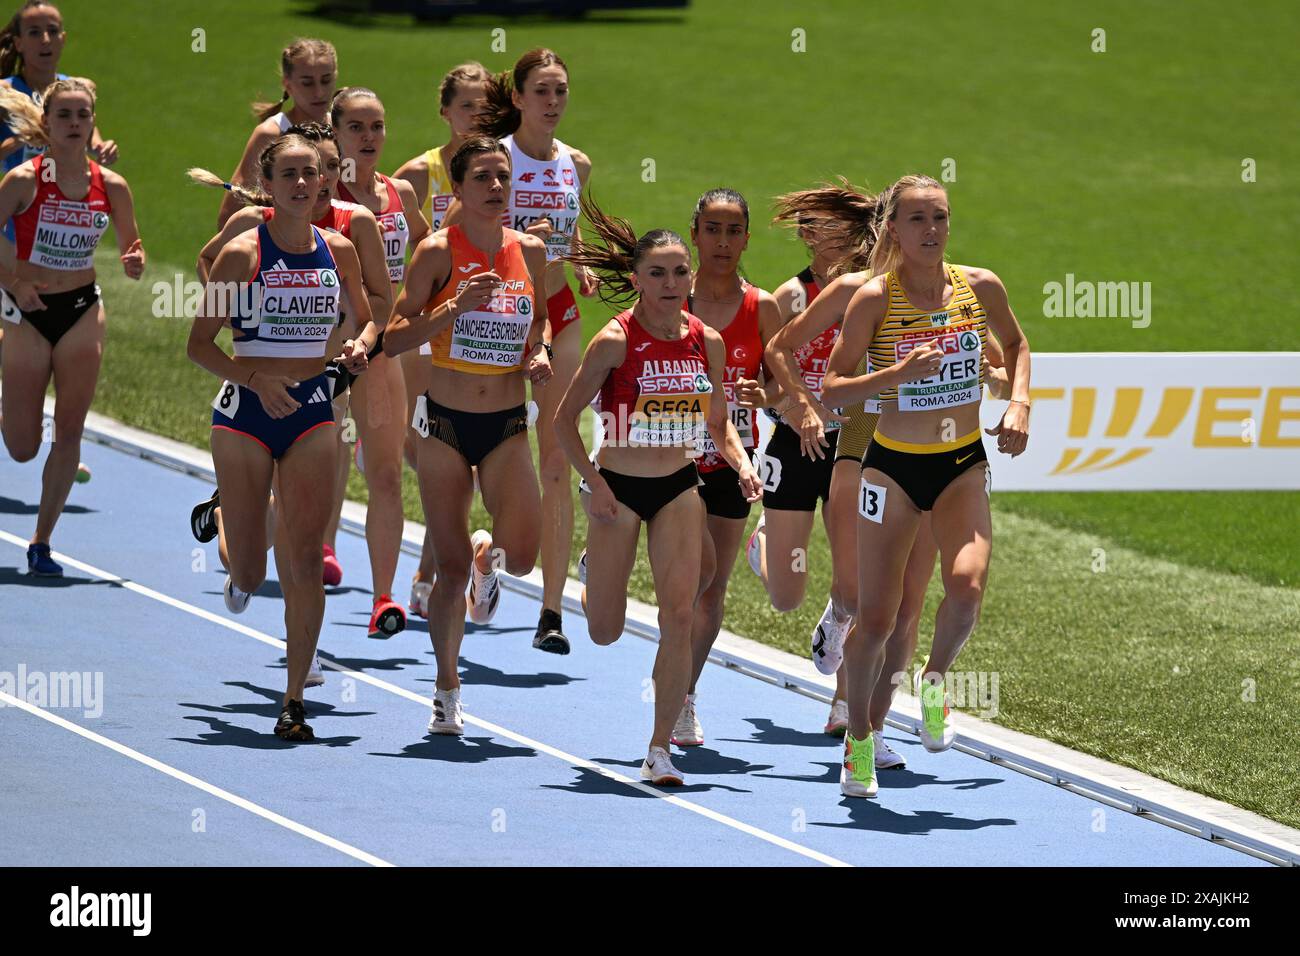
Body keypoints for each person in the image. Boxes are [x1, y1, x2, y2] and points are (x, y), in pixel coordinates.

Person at [822, 174, 1031, 797]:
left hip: (961, 462)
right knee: (878, 620)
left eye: (939, 217)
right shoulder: (873, 300)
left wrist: (1017, 400)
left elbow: (1016, 346)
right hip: (891, 469)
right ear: (893, 230)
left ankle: (935, 683)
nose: (931, 230)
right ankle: (859, 741)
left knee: (965, 589)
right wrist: (896, 372)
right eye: (916, 220)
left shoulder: (980, 286)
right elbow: (833, 390)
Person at [557, 195, 761, 784]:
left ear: (691, 276)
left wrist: (742, 463)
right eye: (657, 273)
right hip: (616, 490)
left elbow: (719, 422)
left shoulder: (708, 341)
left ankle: (658, 749)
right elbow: (562, 422)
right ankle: (597, 565)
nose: (671, 283)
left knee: (681, 611)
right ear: (637, 279)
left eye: (679, 272)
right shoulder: (615, 341)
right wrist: (592, 483)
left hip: (678, 484)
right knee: (604, 630)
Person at [187, 132, 376, 741]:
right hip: (244, 414)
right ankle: (226, 519)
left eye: (311, 173)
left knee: (303, 558)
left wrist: (358, 345)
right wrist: (255, 377)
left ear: (326, 181)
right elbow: (198, 343)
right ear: (268, 186)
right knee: (247, 573)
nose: (300, 184)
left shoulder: (340, 249)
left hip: (314, 410)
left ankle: (293, 701)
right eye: (288, 174)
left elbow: (369, 317)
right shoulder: (243, 253)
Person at [383, 135, 551, 736]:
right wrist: (453, 306)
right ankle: (447, 688)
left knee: (525, 557)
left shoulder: (528, 250)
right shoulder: (435, 252)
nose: (496, 187)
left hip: (506, 423)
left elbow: (546, 318)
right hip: (446, 425)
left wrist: (541, 353)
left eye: (503, 176)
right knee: (449, 569)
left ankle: (492, 562)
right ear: (458, 187)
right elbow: (396, 337)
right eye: (483, 177)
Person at [477, 48, 595, 655]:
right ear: (518, 97)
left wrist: (582, 264)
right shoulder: (495, 160)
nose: (553, 102)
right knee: (492, 446)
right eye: (542, 91)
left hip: (561, 316)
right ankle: (486, 554)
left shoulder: (577, 163)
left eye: (561, 91)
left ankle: (551, 614)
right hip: (500, 316)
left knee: (557, 461)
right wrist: (524, 244)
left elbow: (570, 238)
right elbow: (471, 234)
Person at [0, 78, 142, 575]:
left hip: (81, 310)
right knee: (20, 448)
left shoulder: (113, 186)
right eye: (65, 115)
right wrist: (15, 283)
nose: (76, 124)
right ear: (47, 123)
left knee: (71, 427)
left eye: (84, 115)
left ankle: (41, 541)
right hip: (26, 311)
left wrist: (134, 258)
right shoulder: (22, 181)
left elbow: (131, 243)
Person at [674, 188, 781, 748]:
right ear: (694, 233)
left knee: (710, 587)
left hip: (731, 460)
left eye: (733, 231)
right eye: (712, 230)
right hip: (666, 456)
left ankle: (683, 697)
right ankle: (608, 543)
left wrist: (762, 394)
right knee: (692, 577)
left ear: (746, 237)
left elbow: (785, 386)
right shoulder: (672, 294)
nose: (722, 242)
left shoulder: (761, 307)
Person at [331, 86, 431, 636]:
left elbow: (428, 248)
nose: (369, 138)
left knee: (388, 474)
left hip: (380, 349)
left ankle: (383, 599)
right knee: (312, 471)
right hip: (321, 354)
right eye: (357, 127)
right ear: (336, 132)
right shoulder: (317, 197)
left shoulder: (399, 195)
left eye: (377, 126)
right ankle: (241, 509)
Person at [393, 62, 490, 617]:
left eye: (485, 107)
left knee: (457, 459)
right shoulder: (418, 173)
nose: (476, 116)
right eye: (467, 106)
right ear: (446, 111)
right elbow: (392, 251)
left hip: (481, 334)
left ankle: (432, 572)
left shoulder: (497, 172)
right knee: (422, 452)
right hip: (429, 328)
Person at [215, 38, 336, 229]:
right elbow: (229, 215)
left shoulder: (343, 128)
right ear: (288, 85)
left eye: (326, 80)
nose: (319, 92)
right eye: (307, 83)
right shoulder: (270, 134)